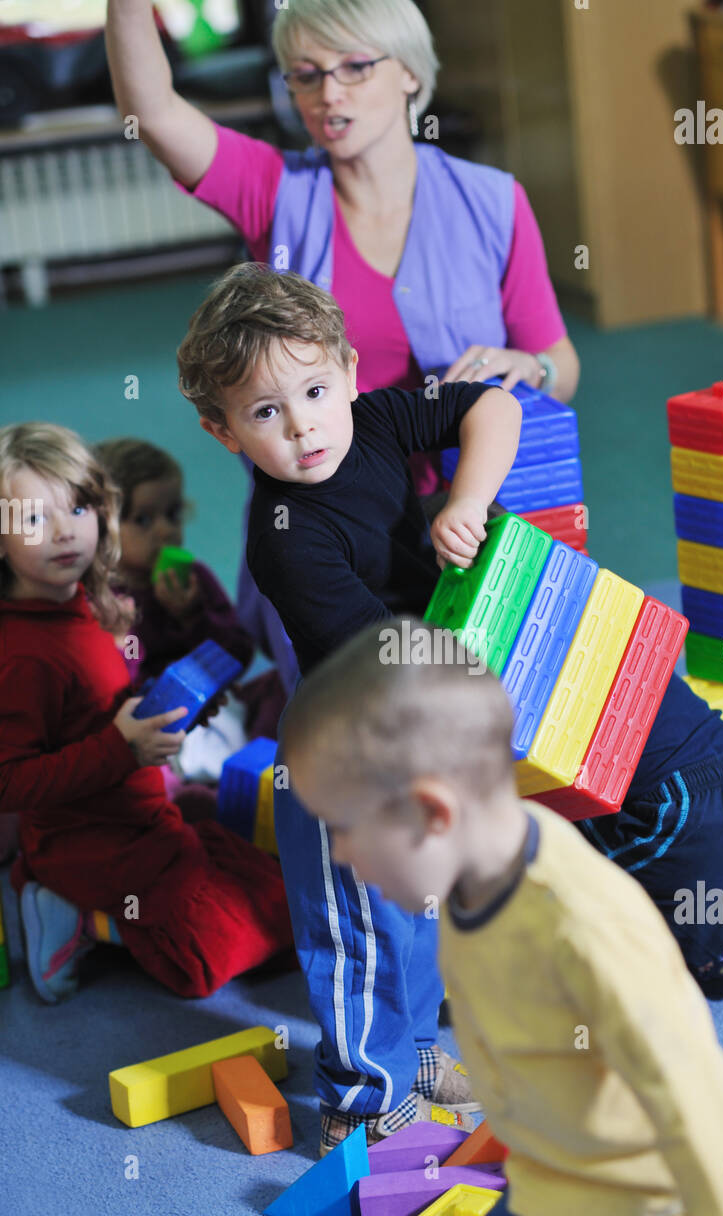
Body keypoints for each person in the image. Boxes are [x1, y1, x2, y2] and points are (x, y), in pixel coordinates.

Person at [277, 618, 723, 1216]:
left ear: (433, 814)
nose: (340, 858)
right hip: (542, 1184)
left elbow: (698, 1099)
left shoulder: (583, 928)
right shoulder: (475, 874)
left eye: (346, 833)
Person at [104, 0, 580, 700]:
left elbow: (560, 364)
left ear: (411, 75)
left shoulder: (494, 200)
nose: (330, 93)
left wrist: (532, 368)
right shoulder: (276, 191)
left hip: (468, 524)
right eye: (305, 75)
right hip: (327, 532)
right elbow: (148, 105)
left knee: (508, 721)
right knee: (364, 724)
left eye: (356, 67)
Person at [177, 261, 523, 1153]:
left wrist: (467, 500)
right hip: (351, 748)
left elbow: (493, 405)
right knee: (359, 927)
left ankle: (407, 1057)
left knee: (415, 914)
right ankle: (359, 1102)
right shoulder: (286, 543)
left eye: (315, 390)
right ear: (225, 434)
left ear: (351, 371)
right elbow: (391, 657)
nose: (302, 426)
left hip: (416, 714)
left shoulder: (372, 421)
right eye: (265, 413)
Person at [0, 422, 296, 1002]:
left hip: (147, 814)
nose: (65, 533)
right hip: (89, 843)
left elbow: (210, 653)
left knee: (283, 905)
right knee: (206, 961)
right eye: (35, 519)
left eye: (79, 508)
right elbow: (10, 780)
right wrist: (121, 747)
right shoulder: (21, 657)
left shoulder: (93, 597)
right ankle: (76, 915)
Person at [95, 436, 256, 803]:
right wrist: (120, 639)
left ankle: (207, 794)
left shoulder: (193, 579)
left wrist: (191, 616)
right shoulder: (98, 597)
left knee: (248, 730)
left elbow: (239, 651)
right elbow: (105, 690)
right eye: (144, 519)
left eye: (173, 515)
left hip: (203, 710)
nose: (166, 531)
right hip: (137, 721)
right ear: (103, 526)